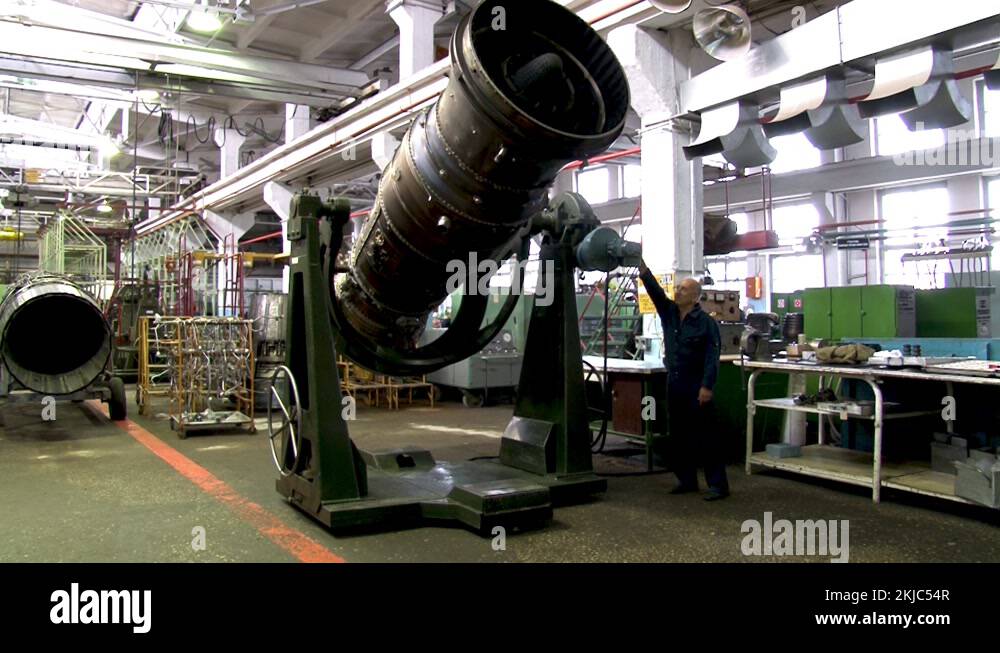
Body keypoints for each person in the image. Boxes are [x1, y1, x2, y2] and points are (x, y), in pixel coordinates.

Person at [639, 262, 729, 501]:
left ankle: (718, 485)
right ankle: (687, 480)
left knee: (706, 436)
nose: (677, 291)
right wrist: (643, 270)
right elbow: (656, 293)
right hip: (675, 383)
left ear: (695, 297)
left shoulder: (706, 323)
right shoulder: (669, 314)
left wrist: (707, 386)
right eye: (677, 288)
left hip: (696, 384)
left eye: (683, 289)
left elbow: (712, 357)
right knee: (679, 435)